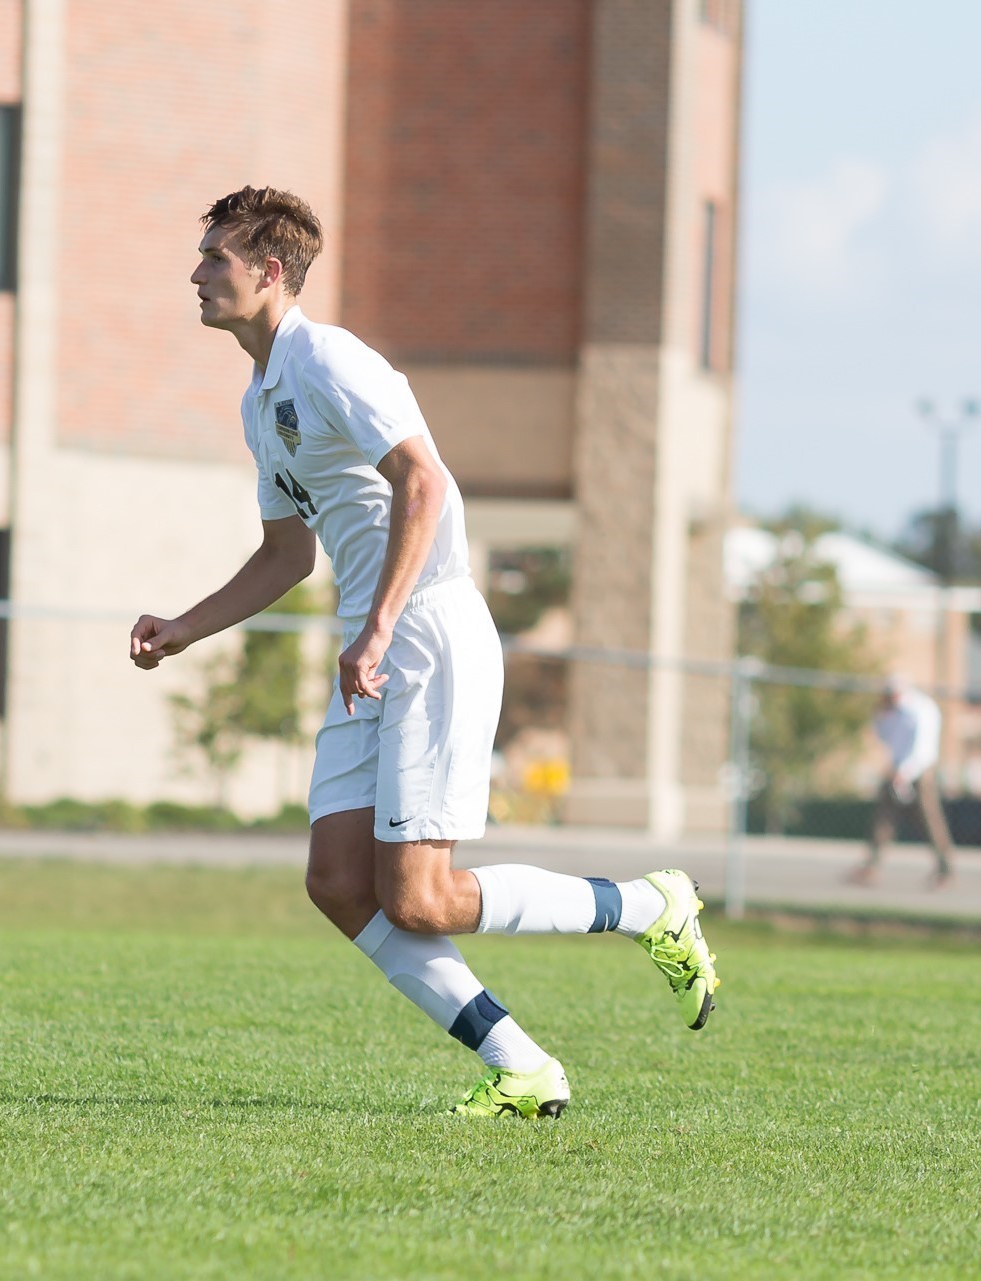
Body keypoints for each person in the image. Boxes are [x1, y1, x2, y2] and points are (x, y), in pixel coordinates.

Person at [129, 187, 720, 1118]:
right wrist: (185, 626)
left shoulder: (330, 359)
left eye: (216, 259)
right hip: (372, 647)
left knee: (422, 897)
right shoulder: (261, 396)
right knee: (336, 880)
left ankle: (649, 906)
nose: (197, 274)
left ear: (269, 271)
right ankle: (521, 1065)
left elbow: (425, 483)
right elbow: (289, 553)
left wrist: (377, 626)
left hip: (426, 634)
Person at [851, 674, 954, 886]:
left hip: (919, 771)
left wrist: (905, 772)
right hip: (896, 769)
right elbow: (884, 738)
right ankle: (871, 865)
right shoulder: (891, 713)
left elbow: (923, 749)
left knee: (929, 820)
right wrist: (880, 715)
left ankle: (945, 869)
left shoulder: (922, 709)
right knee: (883, 818)